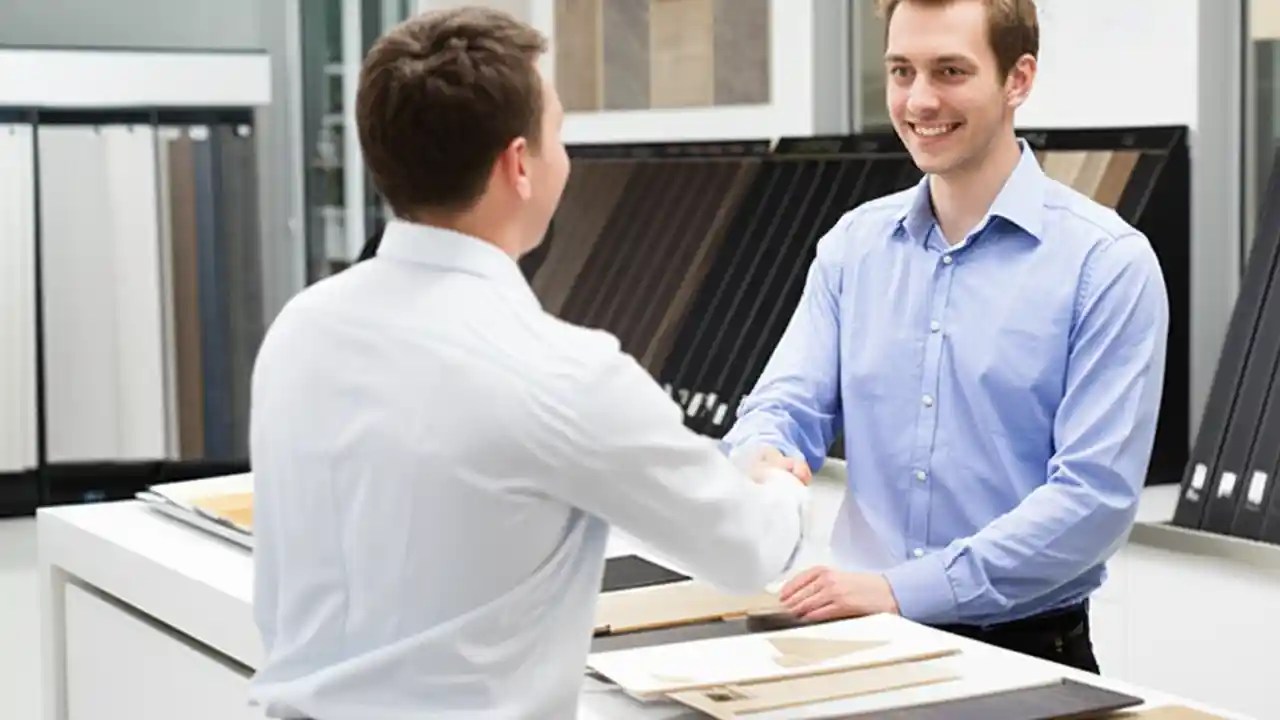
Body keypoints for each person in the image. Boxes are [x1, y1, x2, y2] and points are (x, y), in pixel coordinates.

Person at [246, 8, 810, 719]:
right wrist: (775, 483)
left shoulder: (302, 328)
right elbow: (747, 553)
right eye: (559, 135)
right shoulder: (563, 375)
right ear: (518, 164)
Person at [722, 0, 1168, 673]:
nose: (920, 100)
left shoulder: (1105, 265)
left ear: (1018, 79)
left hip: (1024, 655)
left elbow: (1092, 501)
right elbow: (783, 406)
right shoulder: (852, 249)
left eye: (950, 71)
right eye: (902, 71)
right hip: (863, 644)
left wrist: (905, 592)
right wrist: (762, 454)